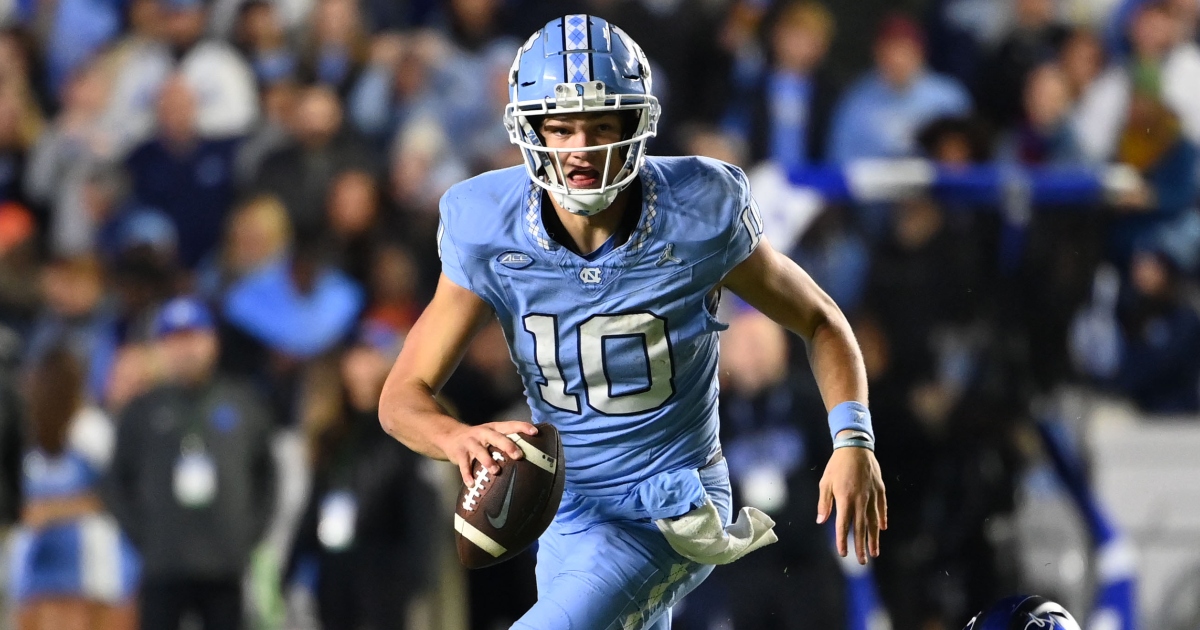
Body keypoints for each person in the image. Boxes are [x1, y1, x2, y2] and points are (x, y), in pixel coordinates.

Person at [378, 15, 886, 629]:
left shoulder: (699, 208)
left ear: (636, 124)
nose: (581, 148)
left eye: (601, 125)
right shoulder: (487, 223)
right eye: (561, 127)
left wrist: (853, 439)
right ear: (528, 129)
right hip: (564, 510)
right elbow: (402, 396)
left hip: (670, 506)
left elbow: (821, 320)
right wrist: (454, 438)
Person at [104, 296, 277, 630]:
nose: (185, 350)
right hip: (163, 564)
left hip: (225, 564)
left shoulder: (243, 403)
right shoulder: (141, 411)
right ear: (159, 349)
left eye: (193, 338)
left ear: (213, 342)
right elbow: (117, 482)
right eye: (174, 340)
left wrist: (247, 534)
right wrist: (146, 537)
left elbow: (267, 476)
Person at [11, 347, 138, 630]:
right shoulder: (30, 432)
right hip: (38, 560)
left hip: (90, 559)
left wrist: (54, 511)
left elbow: (116, 493)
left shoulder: (90, 428)